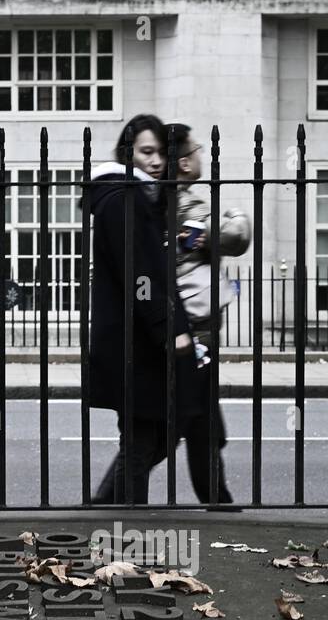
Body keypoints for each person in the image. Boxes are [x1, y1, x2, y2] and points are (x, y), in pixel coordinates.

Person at [88, 115, 227, 506]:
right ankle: (123, 520)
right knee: (141, 439)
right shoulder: (123, 199)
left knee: (149, 436)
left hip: (145, 340)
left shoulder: (140, 196)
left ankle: (109, 511)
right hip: (138, 344)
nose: (155, 161)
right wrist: (172, 329)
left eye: (160, 153)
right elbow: (142, 276)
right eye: (146, 152)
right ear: (126, 152)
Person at [170, 123, 252, 507]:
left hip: (191, 334)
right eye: (198, 150)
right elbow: (237, 236)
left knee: (200, 422)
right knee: (164, 433)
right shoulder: (187, 206)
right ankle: (106, 499)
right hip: (192, 336)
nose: (203, 155)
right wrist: (234, 212)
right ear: (185, 163)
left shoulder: (169, 203)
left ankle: (218, 499)